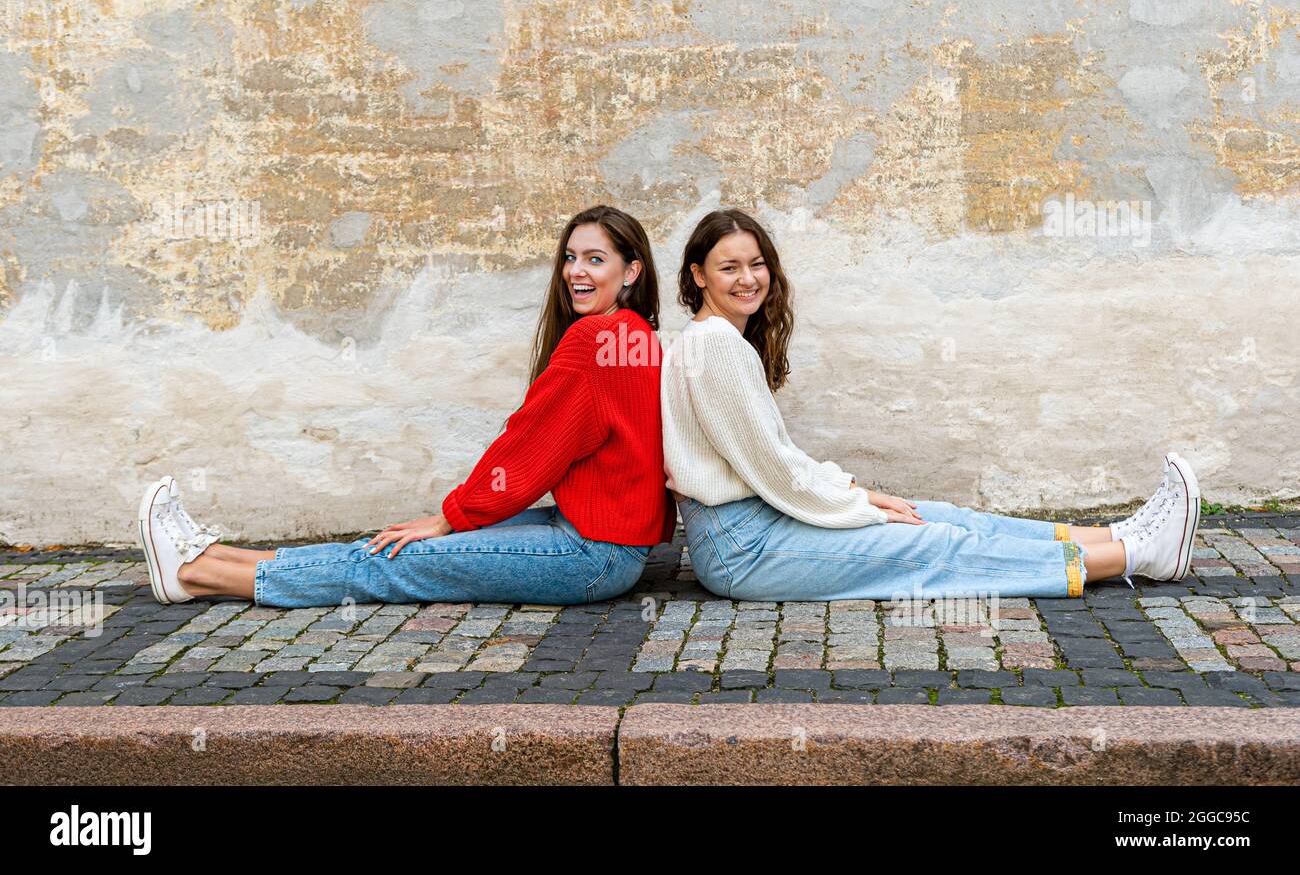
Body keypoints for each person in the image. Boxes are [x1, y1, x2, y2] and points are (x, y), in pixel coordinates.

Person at [137, 205, 676, 607]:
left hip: (590, 555)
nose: (575, 271)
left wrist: (453, 515)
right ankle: (211, 558)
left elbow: (532, 447)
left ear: (631, 272)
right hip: (604, 545)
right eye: (570, 258)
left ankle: (196, 577)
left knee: (403, 561)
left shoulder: (594, 342)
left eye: (595, 260)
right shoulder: (635, 337)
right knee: (395, 546)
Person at [660, 208, 1200, 602]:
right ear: (698, 275)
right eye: (729, 267)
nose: (748, 278)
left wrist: (860, 493)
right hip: (743, 548)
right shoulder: (714, 346)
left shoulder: (719, 341)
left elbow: (773, 459)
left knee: (941, 517)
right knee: (935, 547)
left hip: (758, 525)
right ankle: (1137, 557)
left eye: (756, 264)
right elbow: (772, 469)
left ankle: (1118, 534)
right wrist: (861, 505)